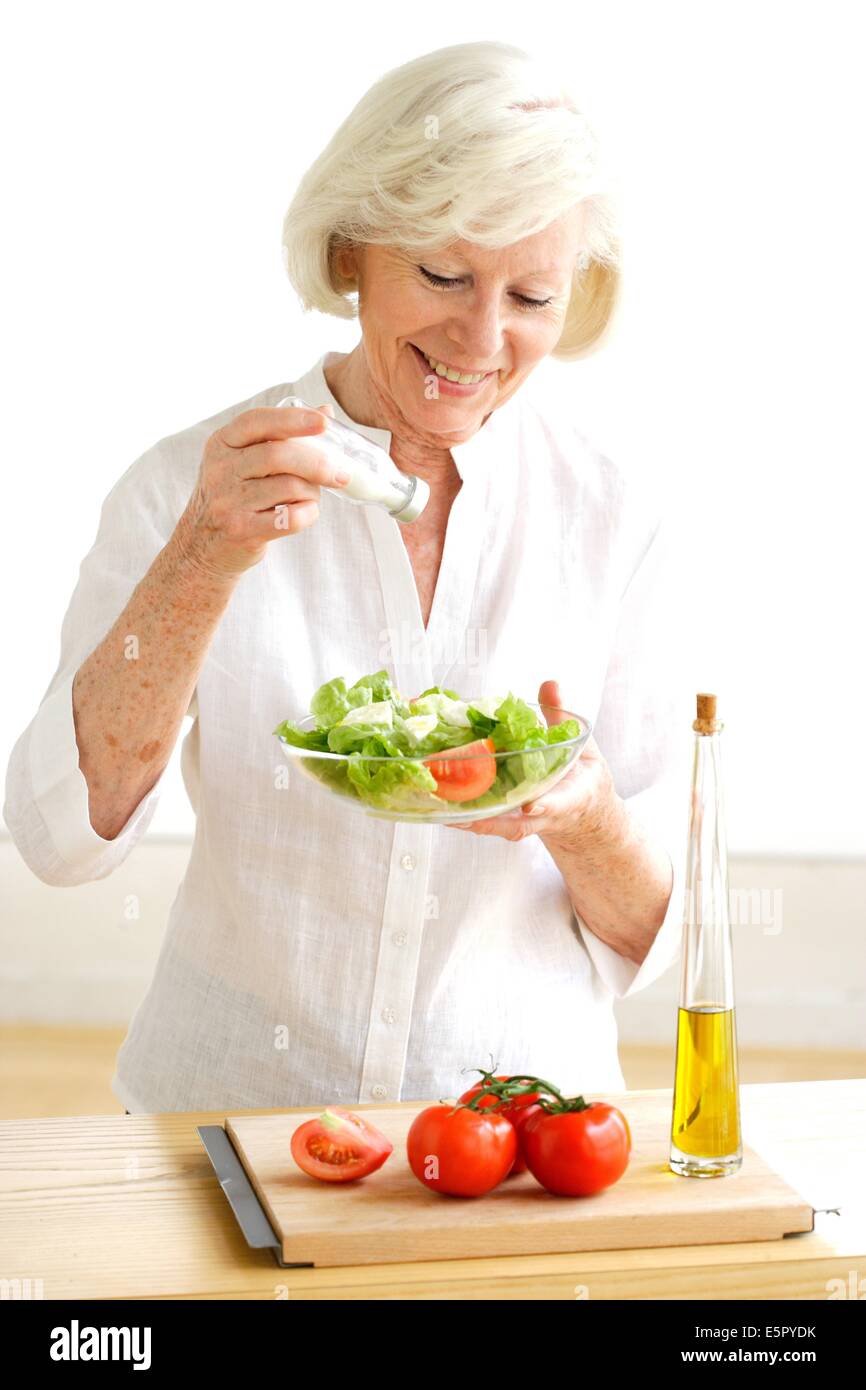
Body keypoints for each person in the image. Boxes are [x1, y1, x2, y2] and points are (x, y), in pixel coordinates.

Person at [4, 41, 692, 1113]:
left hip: (516, 1140)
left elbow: (674, 939)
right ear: (351, 251)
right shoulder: (187, 488)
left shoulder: (612, 517)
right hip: (228, 1114)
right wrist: (201, 558)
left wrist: (583, 814)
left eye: (530, 295)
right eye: (443, 274)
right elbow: (57, 840)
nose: (480, 338)